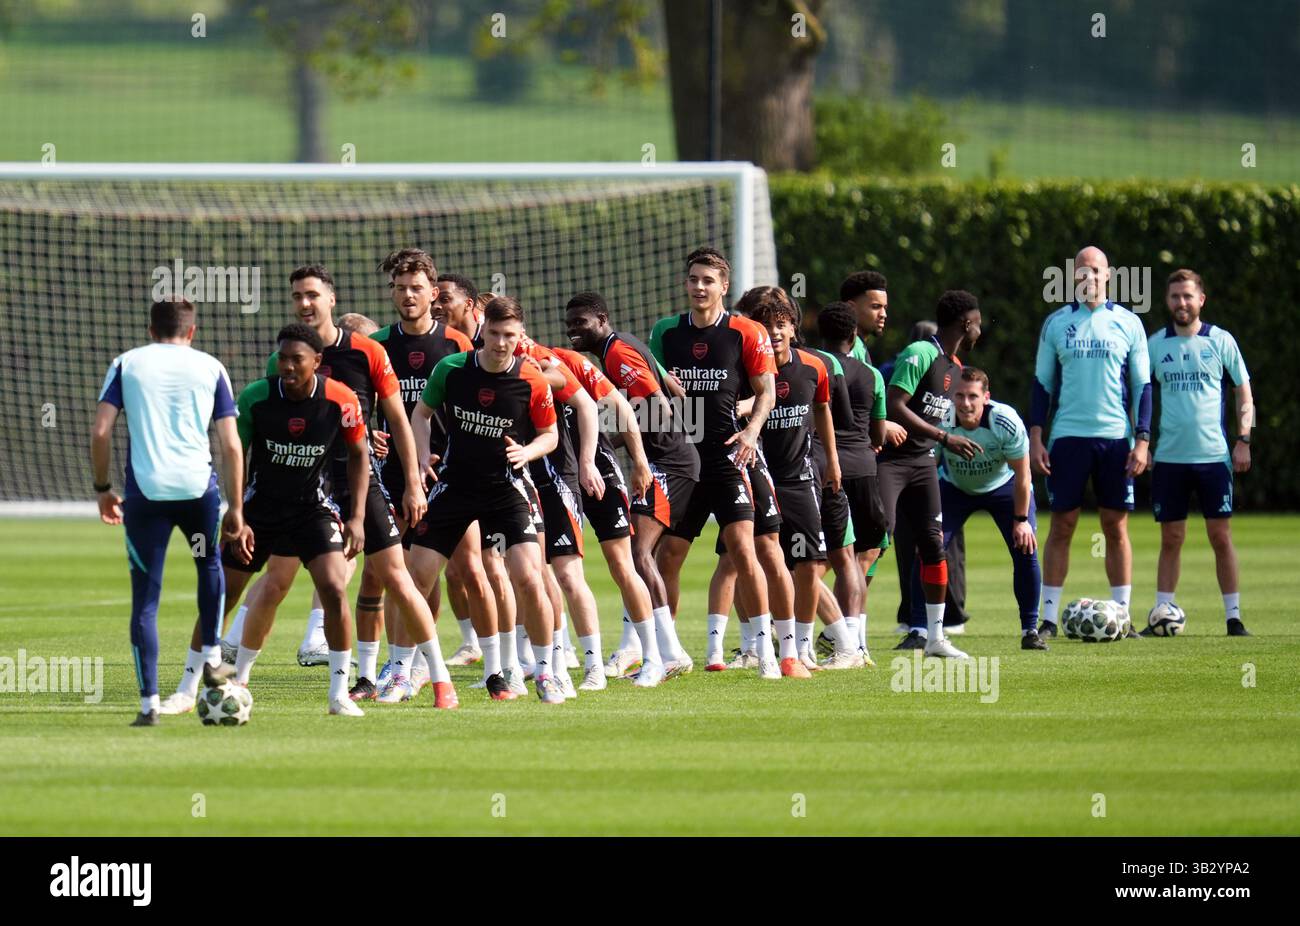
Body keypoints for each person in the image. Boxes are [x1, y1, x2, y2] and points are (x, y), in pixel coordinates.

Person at [91, 297, 245, 726]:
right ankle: (213, 657)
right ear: (191, 332)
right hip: (198, 496)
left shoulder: (127, 364)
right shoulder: (211, 367)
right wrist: (236, 506)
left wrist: (103, 488)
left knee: (146, 600)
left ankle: (148, 707)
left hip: (148, 500)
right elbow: (232, 444)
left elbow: (101, 430)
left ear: (150, 329)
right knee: (207, 564)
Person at [408, 296, 570, 703]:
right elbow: (420, 414)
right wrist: (419, 457)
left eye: (510, 335)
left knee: (529, 578)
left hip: (508, 489)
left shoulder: (532, 378)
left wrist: (527, 453)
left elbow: (549, 435)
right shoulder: (452, 369)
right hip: (455, 485)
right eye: (495, 334)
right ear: (484, 333)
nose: (501, 343)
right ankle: (404, 668)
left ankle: (547, 671)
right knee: (414, 577)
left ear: (520, 336)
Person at [219, 324, 371, 715]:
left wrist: (356, 516)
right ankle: (208, 676)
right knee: (224, 593)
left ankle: (338, 695)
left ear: (317, 363)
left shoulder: (342, 400)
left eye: (296, 359)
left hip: (312, 510)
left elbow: (359, 455)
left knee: (335, 588)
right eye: (282, 358)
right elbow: (236, 454)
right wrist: (235, 511)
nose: (286, 366)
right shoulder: (256, 398)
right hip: (260, 510)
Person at [649, 248, 782, 679]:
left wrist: (751, 432)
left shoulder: (746, 332)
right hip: (684, 462)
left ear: (724, 286)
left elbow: (767, 390)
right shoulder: (665, 333)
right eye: (693, 279)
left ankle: (765, 654)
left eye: (708, 280)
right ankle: (666, 652)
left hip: (728, 456)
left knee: (745, 550)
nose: (699, 287)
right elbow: (653, 394)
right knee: (667, 555)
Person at [564, 291, 698, 683]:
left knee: (637, 554)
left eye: (580, 323)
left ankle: (670, 652)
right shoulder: (625, 345)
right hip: (672, 458)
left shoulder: (618, 354)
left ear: (601, 320)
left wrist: (642, 455)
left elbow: (659, 402)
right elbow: (673, 386)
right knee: (640, 557)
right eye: (569, 323)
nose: (573, 330)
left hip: (666, 464)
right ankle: (638, 648)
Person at [1030, 246, 1151, 635]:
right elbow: (1041, 386)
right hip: (1067, 439)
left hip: (1116, 439)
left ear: (1109, 276)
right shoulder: (1056, 323)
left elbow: (1142, 386)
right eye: (1082, 272)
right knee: (1062, 525)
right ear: (1073, 278)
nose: (1089, 278)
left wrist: (1143, 440)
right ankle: (1047, 617)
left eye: (1095, 271)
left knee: (1115, 527)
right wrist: (1036, 437)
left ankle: (1124, 615)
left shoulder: (1129, 323)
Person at [749, 289, 863, 670]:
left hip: (800, 480)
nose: (775, 332)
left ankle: (803, 646)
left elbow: (824, 411)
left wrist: (832, 460)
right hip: (759, 479)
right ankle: (761, 645)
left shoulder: (814, 366)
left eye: (781, 324)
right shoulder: (748, 370)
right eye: (766, 326)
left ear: (793, 328)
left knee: (808, 563)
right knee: (753, 559)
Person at [1145, 269, 1253, 636]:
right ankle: (1161, 612)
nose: (1182, 303)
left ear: (1201, 300)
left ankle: (1233, 618)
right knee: (1171, 538)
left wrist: (1244, 439)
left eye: (1188, 296)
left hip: (1213, 457)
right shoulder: (1155, 344)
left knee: (1220, 537)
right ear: (1167, 301)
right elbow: (1139, 395)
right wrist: (1140, 442)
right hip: (1170, 458)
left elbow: (1243, 392)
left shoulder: (1220, 341)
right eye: (1175, 296)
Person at [883, 290, 984, 658]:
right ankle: (846, 636)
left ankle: (935, 638)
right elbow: (895, 405)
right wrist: (946, 437)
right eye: (979, 321)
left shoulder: (954, 365)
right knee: (873, 544)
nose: (981, 328)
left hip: (923, 464)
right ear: (966, 323)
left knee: (933, 547)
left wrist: (940, 443)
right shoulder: (919, 353)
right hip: (891, 463)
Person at [927, 368, 1045, 649]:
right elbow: (928, 469)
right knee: (929, 548)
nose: (965, 403)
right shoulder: (941, 418)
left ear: (986, 397)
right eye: (959, 396)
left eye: (972, 396)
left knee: (1026, 548)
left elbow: (1023, 474)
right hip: (954, 488)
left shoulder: (1005, 421)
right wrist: (926, 517)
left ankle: (1030, 630)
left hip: (1004, 487)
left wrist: (1021, 520)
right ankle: (921, 630)